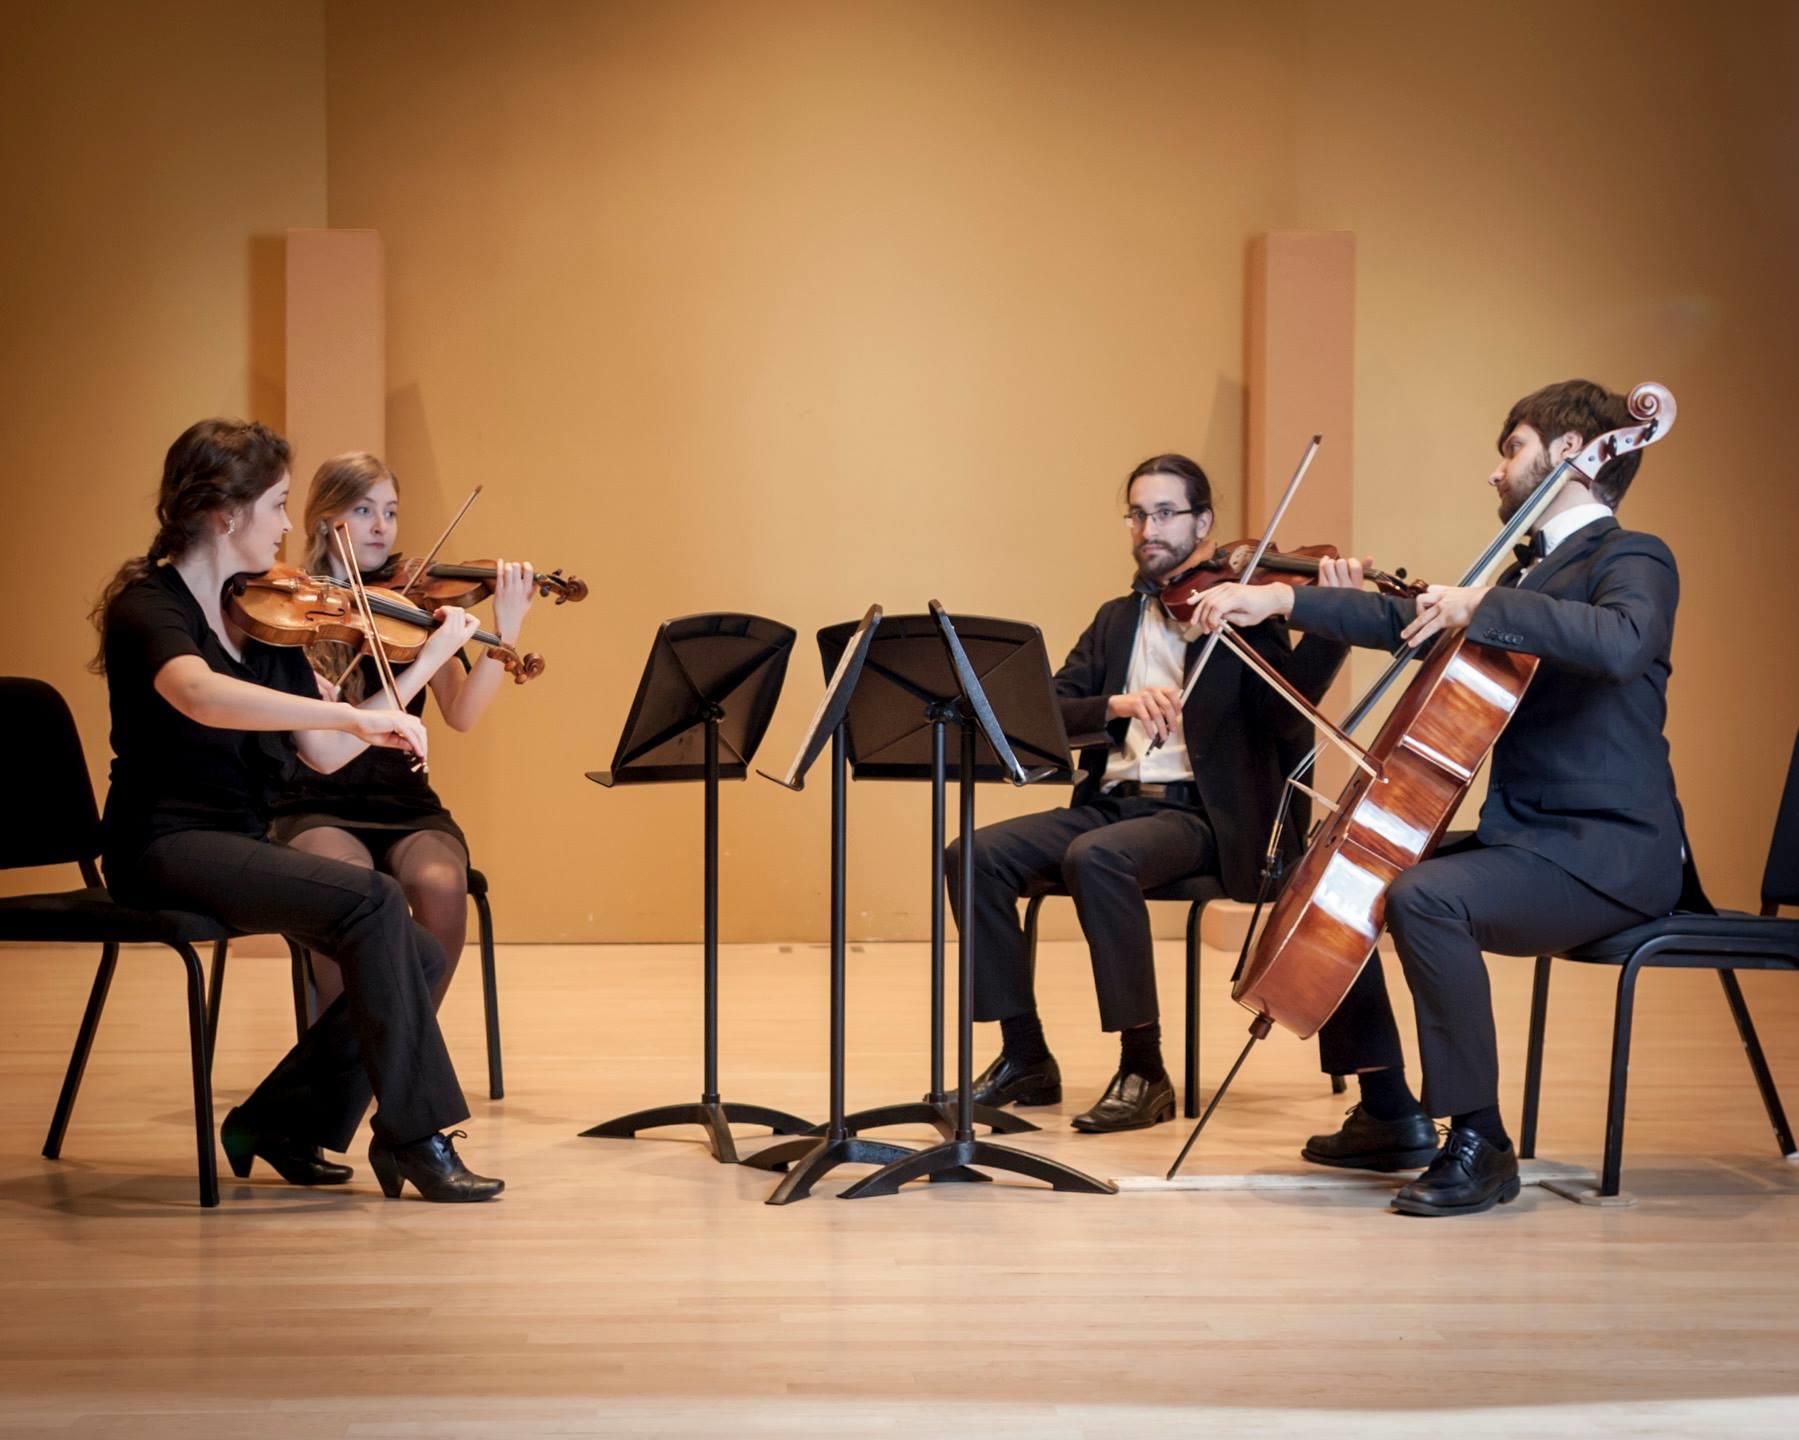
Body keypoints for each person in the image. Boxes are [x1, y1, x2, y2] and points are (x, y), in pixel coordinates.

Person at [1192, 379, 1684, 1216]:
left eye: (1511, 448)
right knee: (1344, 872)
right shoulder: (1530, 573)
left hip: (1607, 852)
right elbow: (1404, 621)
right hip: (1529, 841)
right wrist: (1277, 596)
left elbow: (1623, 643)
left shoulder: (1629, 557)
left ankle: (1481, 1140)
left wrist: (1485, 604)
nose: (1496, 472)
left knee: (1426, 898)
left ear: (1569, 454)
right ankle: (1389, 1108)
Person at [92, 418, 502, 1202]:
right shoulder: (150, 607)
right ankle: (416, 1138)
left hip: (239, 840)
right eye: (278, 504)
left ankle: (276, 1123)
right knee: (376, 899)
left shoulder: (265, 615)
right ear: (224, 511)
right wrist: (352, 716)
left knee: (416, 952)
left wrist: (421, 674)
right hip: (162, 844)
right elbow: (198, 694)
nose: (288, 523)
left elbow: (323, 754)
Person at [947, 454, 1350, 1132]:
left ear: (1202, 522)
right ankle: (1024, 1056)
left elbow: (1288, 717)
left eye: (1165, 513)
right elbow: (1047, 708)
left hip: (1204, 817)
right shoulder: (1115, 620)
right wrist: (1118, 703)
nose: (1148, 528)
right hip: (1114, 806)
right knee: (971, 855)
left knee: (1097, 858)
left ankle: (1143, 1068)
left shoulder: (1242, 611)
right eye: (1138, 514)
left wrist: (1331, 617)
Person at [269, 453, 536, 1012]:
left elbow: (461, 711)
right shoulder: (292, 609)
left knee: (441, 882)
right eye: (363, 509)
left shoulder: (411, 602)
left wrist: (505, 630)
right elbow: (323, 752)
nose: (380, 526)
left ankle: (407, 1048)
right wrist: (425, 657)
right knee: (349, 885)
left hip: (403, 801)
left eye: (389, 511)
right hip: (314, 802)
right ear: (324, 519)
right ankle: (345, 1061)